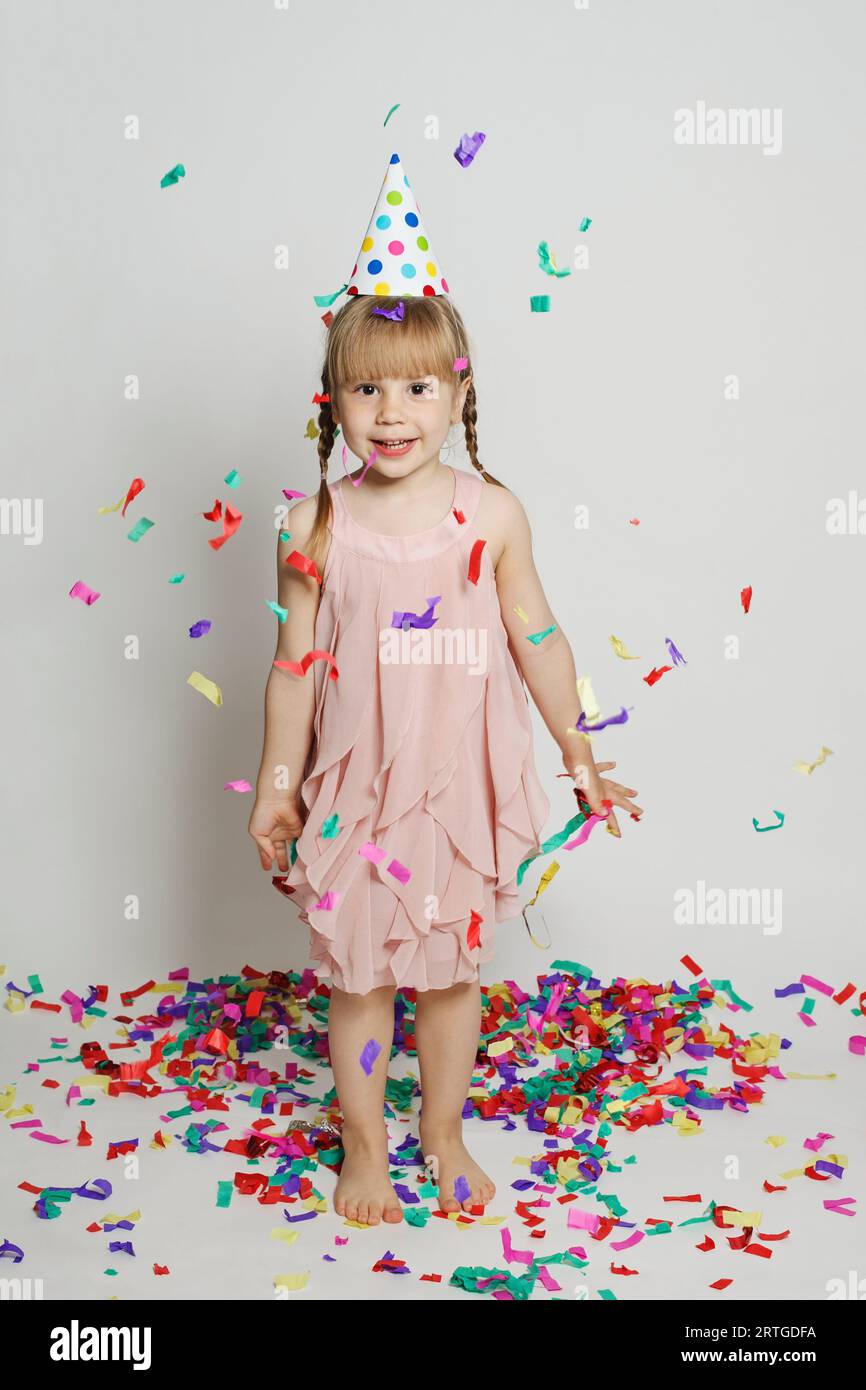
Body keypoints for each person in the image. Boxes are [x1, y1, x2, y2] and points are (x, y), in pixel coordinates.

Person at [248, 155, 642, 1228]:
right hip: (357, 791)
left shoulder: (493, 515)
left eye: (418, 385)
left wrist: (578, 752)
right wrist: (274, 787)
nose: (391, 410)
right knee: (360, 979)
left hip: (459, 790)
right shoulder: (310, 528)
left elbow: (538, 639)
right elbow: (291, 672)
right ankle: (367, 1142)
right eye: (366, 385)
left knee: (452, 973)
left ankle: (443, 1128)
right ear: (331, 399)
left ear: (459, 390)